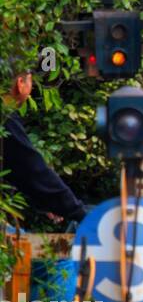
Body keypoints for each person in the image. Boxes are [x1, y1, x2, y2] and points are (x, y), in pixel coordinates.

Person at [1, 71, 87, 226]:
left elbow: (16, 171)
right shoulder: (5, 119)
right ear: (20, 83)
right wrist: (79, 212)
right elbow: (31, 168)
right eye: (31, 82)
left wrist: (45, 202)